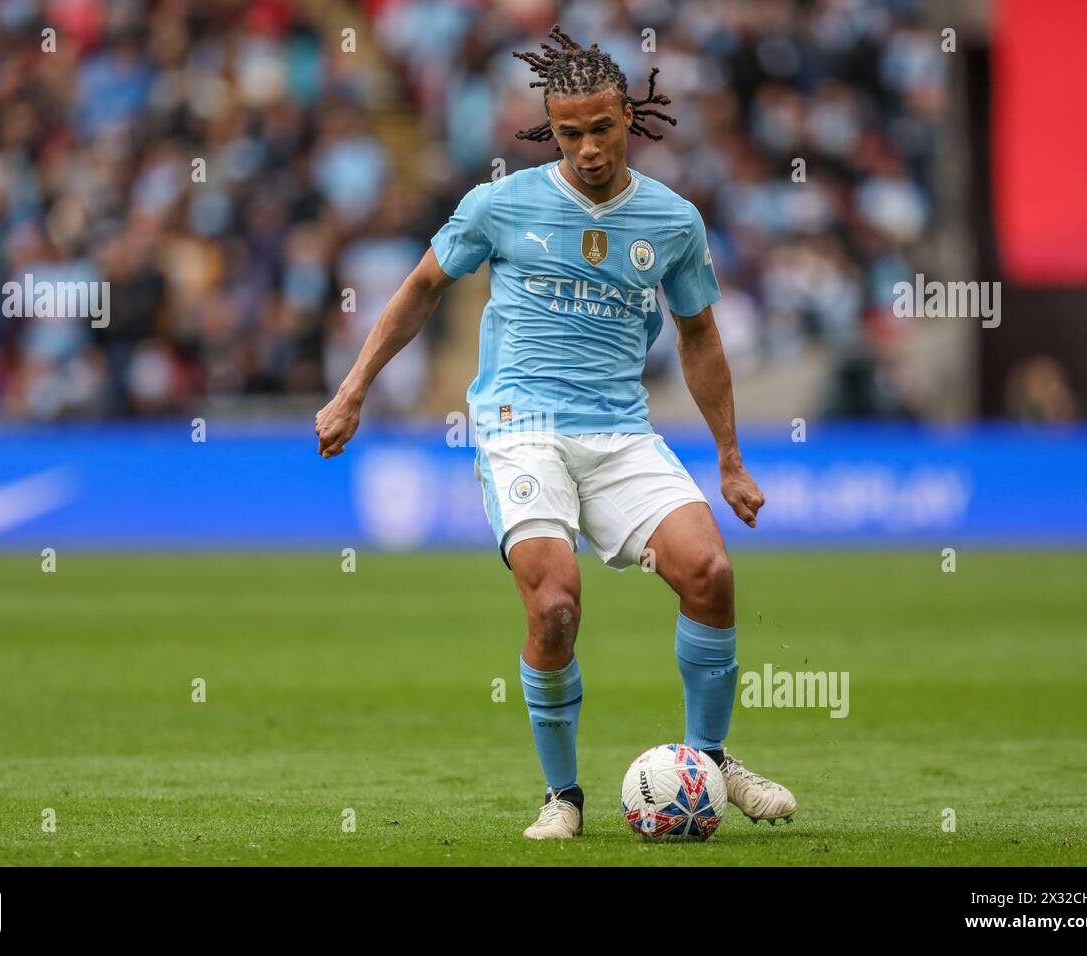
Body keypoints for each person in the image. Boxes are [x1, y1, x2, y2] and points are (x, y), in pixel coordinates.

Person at [316, 24, 796, 839]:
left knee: (711, 571)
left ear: (628, 117)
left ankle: (709, 763)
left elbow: (699, 337)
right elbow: (423, 286)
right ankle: (562, 799)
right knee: (556, 605)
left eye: (601, 128)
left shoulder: (673, 222)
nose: (588, 147)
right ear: (549, 127)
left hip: (619, 433)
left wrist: (730, 458)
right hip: (519, 427)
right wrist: (355, 389)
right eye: (569, 132)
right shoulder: (500, 204)